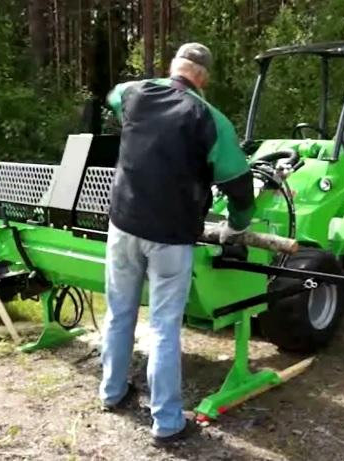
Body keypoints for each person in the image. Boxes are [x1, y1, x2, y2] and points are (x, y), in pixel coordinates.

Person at [98, 42, 256, 447]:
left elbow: (113, 94)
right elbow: (239, 189)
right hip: (169, 238)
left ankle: (112, 393)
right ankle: (167, 423)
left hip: (123, 224)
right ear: (203, 79)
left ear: (173, 67)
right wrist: (239, 227)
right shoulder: (210, 119)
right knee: (165, 327)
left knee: (119, 312)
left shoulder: (135, 94)